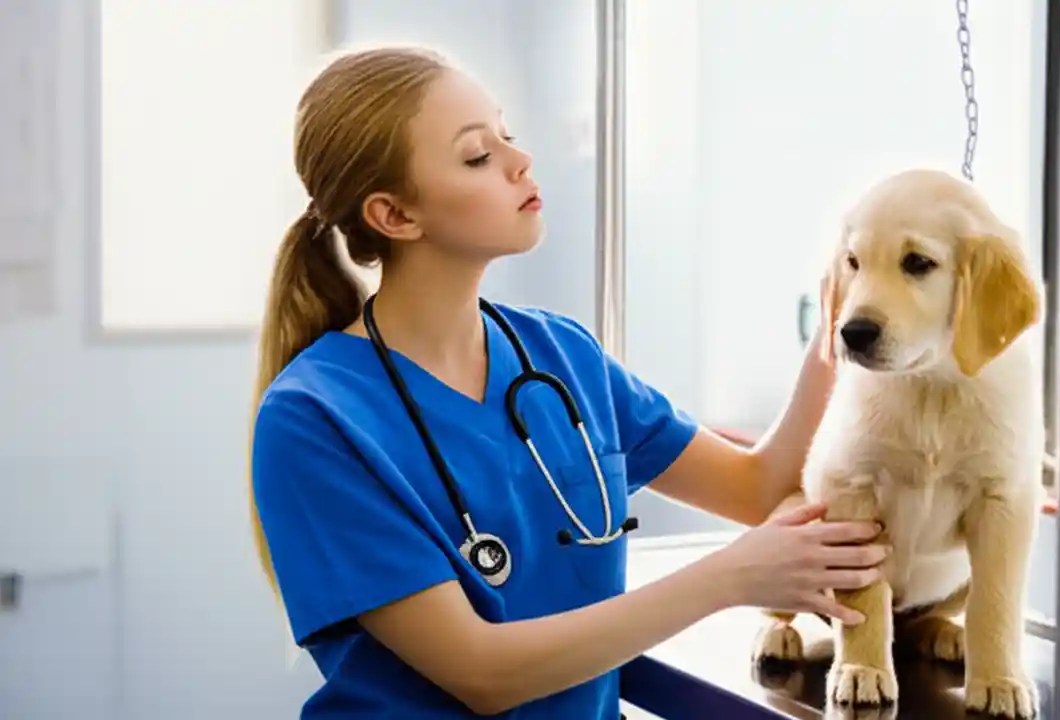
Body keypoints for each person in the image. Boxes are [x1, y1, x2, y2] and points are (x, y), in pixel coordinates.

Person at [248, 45, 889, 719]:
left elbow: (755, 487)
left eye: (507, 135)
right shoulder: (315, 419)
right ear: (396, 216)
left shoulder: (560, 355)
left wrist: (840, 324)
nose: (520, 161)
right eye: (478, 156)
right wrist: (730, 578)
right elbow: (482, 674)